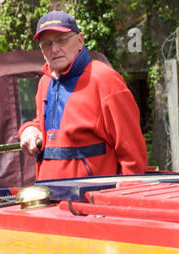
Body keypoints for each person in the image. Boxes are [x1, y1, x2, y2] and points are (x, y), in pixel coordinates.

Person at [18, 11, 148, 180]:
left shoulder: (104, 80)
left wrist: (127, 197)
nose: (54, 49)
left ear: (80, 40)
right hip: (49, 198)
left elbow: (133, 154)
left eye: (61, 40)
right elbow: (45, 127)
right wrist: (29, 129)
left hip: (92, 202)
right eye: (46, 44)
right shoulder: (45, 82)